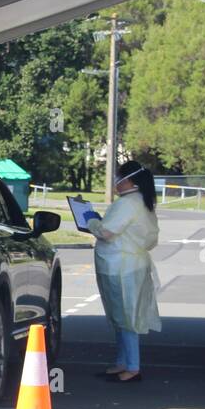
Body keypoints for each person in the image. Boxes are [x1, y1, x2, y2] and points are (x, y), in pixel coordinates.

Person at [84, 161, 161, 383]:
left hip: (122, 267)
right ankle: (122, 362)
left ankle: (132, 367)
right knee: (121, 316)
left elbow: (107, 232)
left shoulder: (128, 203)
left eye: (119, 177)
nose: (116, 182)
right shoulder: (140, 201)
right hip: (127, 265)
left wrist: (91, 221)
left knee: (126, 317)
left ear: (130, 180)